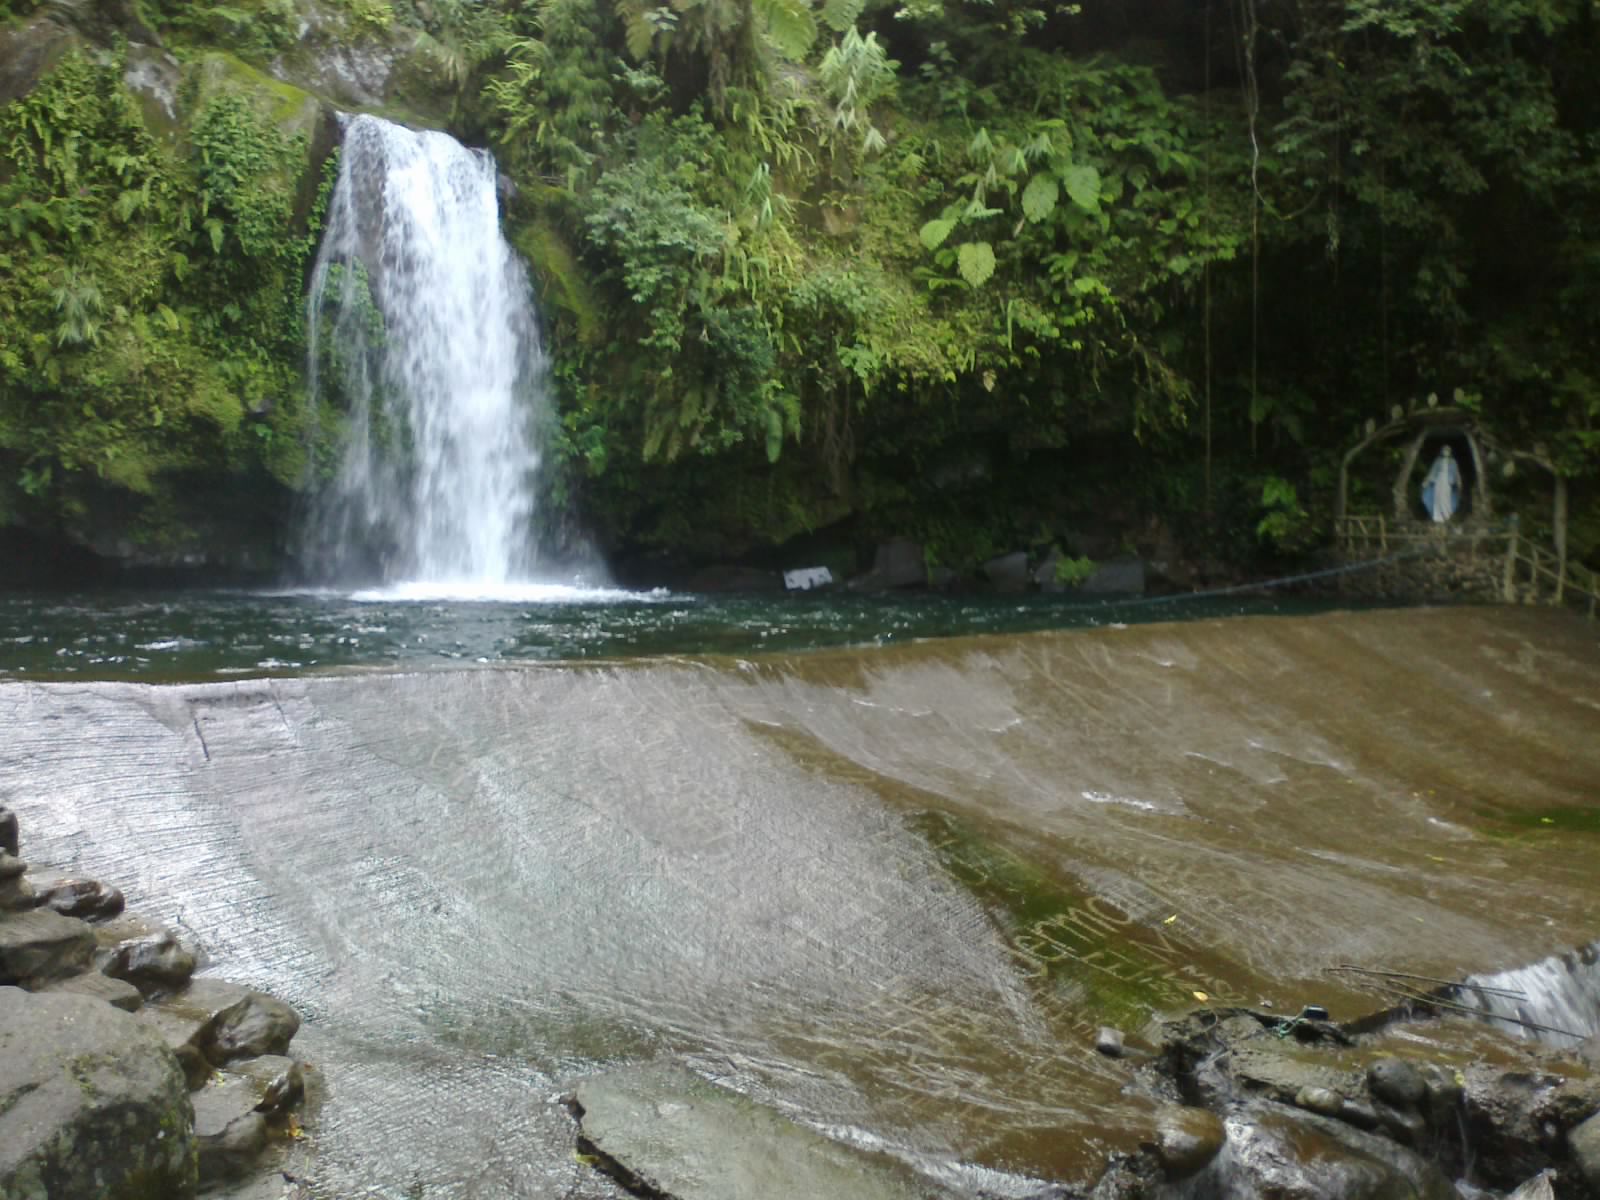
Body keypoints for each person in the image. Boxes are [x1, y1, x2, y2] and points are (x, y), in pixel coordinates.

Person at [1421, 445, 1462, 523]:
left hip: (1448, 481)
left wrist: (1458, 481)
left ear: (1450, 452)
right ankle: (1437, 515)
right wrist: (1426, 481)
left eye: (1447, 450)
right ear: (1441, 451)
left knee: (1446, 497)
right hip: (1439, 480)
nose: (1445, 452)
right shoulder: (1438, 461)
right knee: (1438, 496)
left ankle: (1446, 515)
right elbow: (1432, 472)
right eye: (1444, 450)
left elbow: (1456, 473)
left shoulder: (1453, 461)